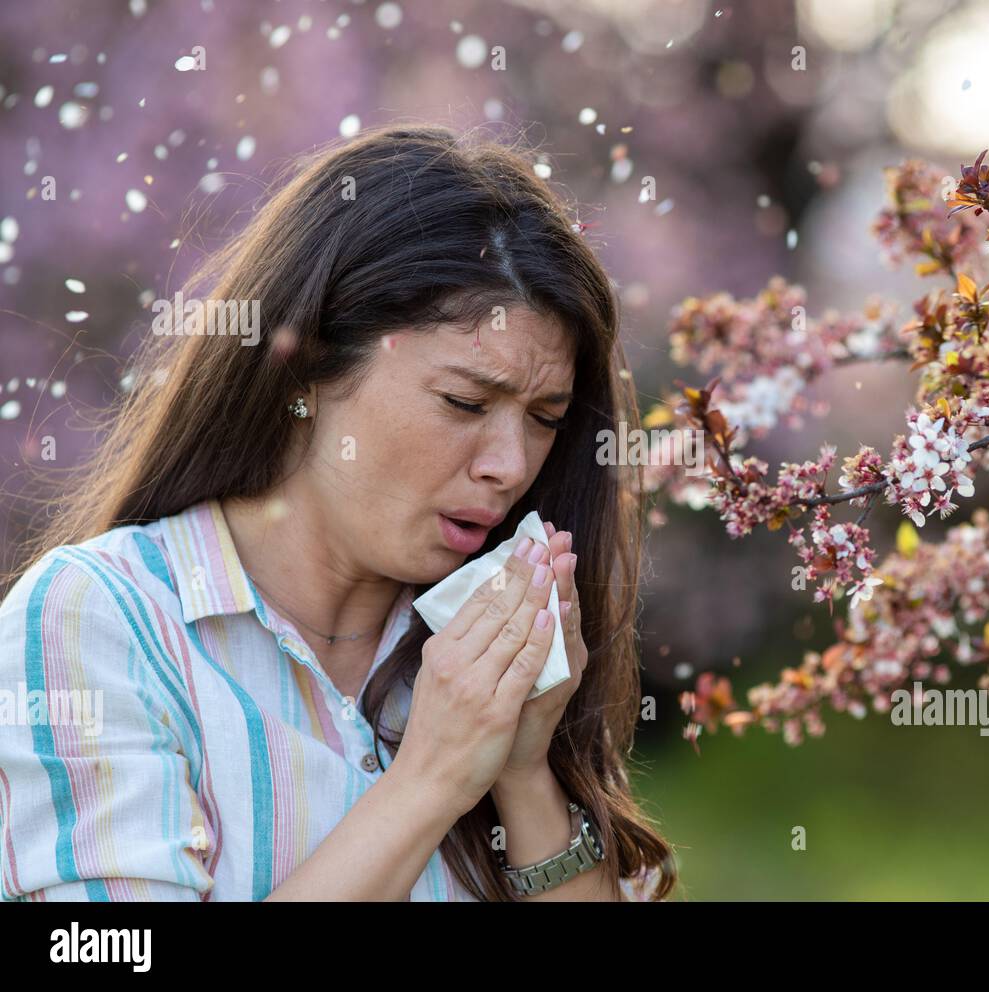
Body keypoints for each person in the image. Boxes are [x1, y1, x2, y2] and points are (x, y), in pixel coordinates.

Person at [0, 124, 674, 901]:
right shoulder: (100, 621)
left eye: (545, 418)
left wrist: (524, 771)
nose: (511, 465)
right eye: (465, 401)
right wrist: (431, 778)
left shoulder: (479, 648)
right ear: (310, 368)